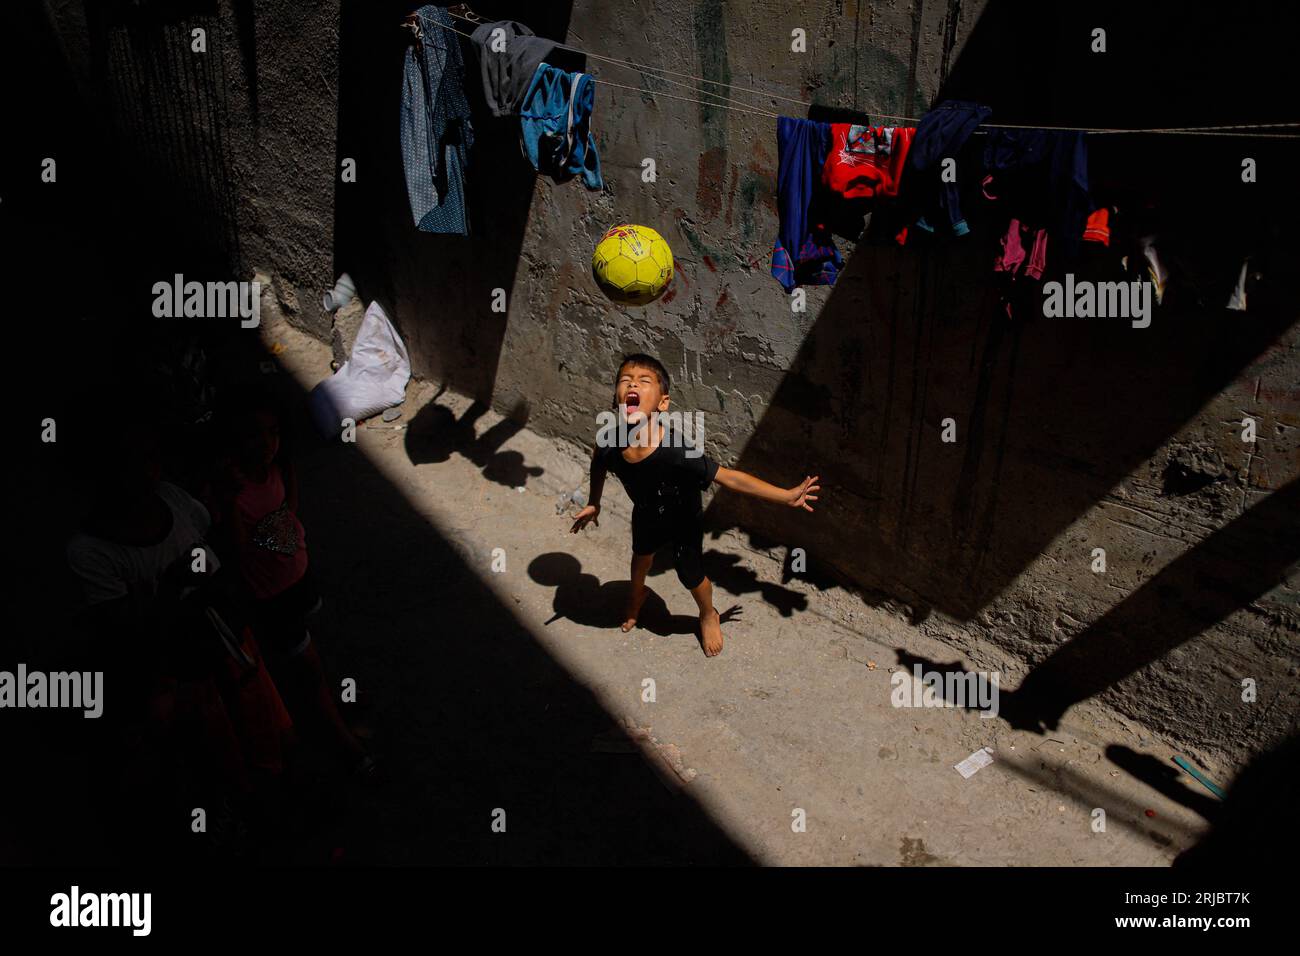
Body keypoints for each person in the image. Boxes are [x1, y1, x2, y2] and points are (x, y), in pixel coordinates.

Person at [570, 354, 821, 657]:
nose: (632, 383)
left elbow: (730, 478)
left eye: (643, 381)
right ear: (617, 398)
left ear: (663, 403)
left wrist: (785, 495)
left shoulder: (677, 451)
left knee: (690, 574)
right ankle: (638, 594)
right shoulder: (608, 442)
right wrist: (594, 503)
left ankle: (707, 614)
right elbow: (598, 464)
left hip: (683, 518)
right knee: (639, 560)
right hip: (647, 512)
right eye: (625, 381)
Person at [213, 390, 375, 778]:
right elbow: (236, 550)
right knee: (308, 669)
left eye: (273, 432)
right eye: (254, 435)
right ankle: (345, 746)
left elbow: (290, 511)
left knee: (308, 662)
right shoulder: (232, 494)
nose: (266, 443)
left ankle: (325, 715)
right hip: (272, 598)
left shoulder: (277, 470)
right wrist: (229, 499)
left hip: (298, 579)